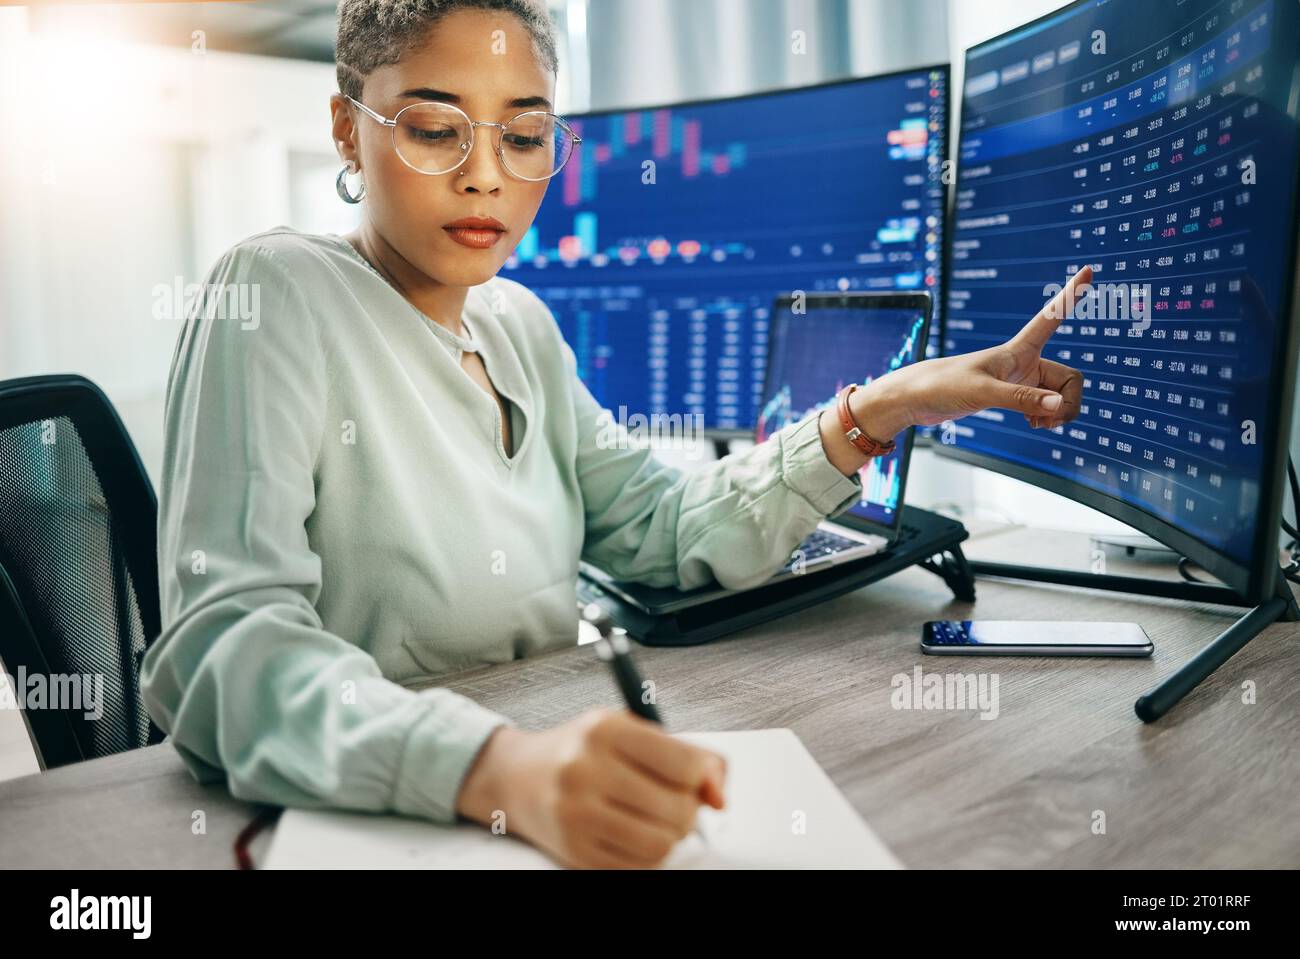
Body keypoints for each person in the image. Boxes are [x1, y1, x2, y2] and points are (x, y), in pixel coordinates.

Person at [140, 0, 1086, 869]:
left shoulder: (518, 325)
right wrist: (500, 772)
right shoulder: (271, 293)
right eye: (434, 129)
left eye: (523, 136)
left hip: (539, 785)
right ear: (348, 125)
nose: (484, 174)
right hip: (386, 817)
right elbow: (223, 649)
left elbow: (666, 531)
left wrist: (875, 408)